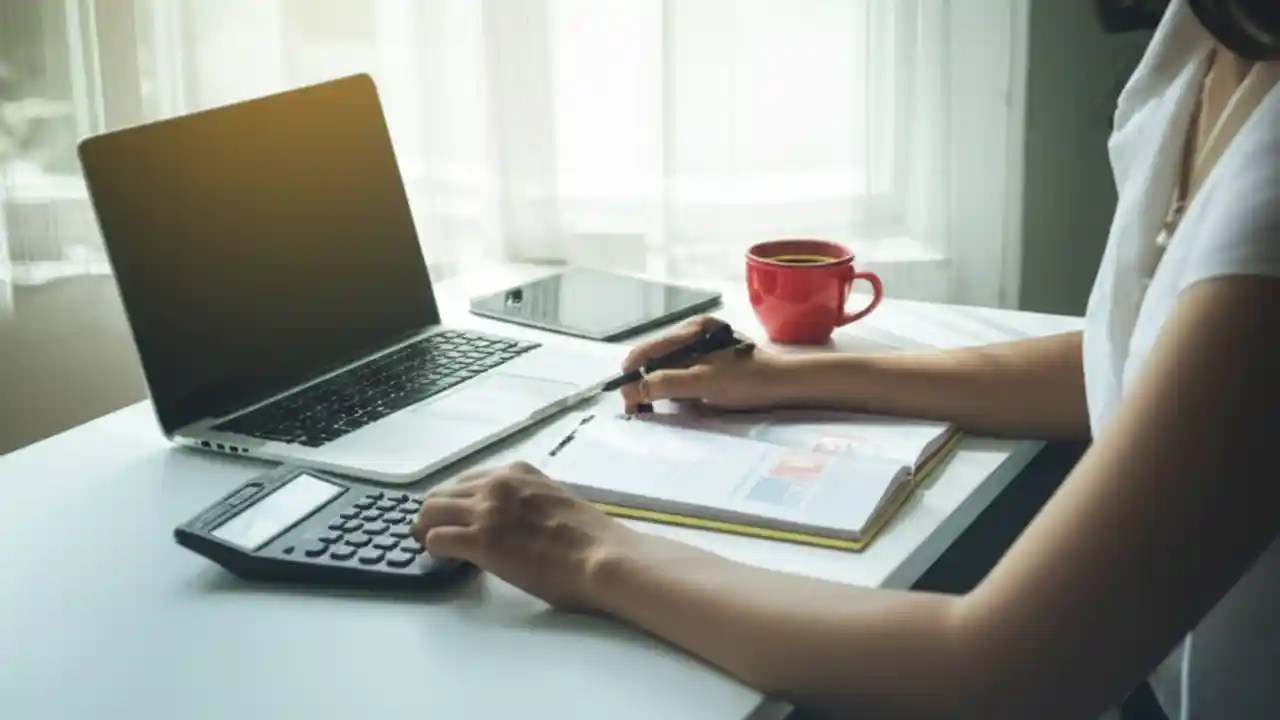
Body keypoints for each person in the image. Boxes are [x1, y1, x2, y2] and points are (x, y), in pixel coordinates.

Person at [411, 1, 1280, 717]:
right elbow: (1144, 362)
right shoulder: (1197, 46)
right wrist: (801, 376)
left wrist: (592, 553)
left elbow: (1007, 669)